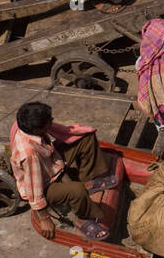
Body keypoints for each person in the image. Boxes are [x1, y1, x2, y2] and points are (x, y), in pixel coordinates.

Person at [10, 101, 117, 242]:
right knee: (76, 190)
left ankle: (88, 182)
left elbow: (61, 130)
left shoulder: (25, 123)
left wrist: (77, 132)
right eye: (50, 121)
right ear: (38, 130)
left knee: (86, 137)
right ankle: (83, 220)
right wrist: (44, 217)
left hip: (51, 162)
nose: (52, 122)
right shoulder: (29, 154)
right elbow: (34, 189)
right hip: (44, 185)